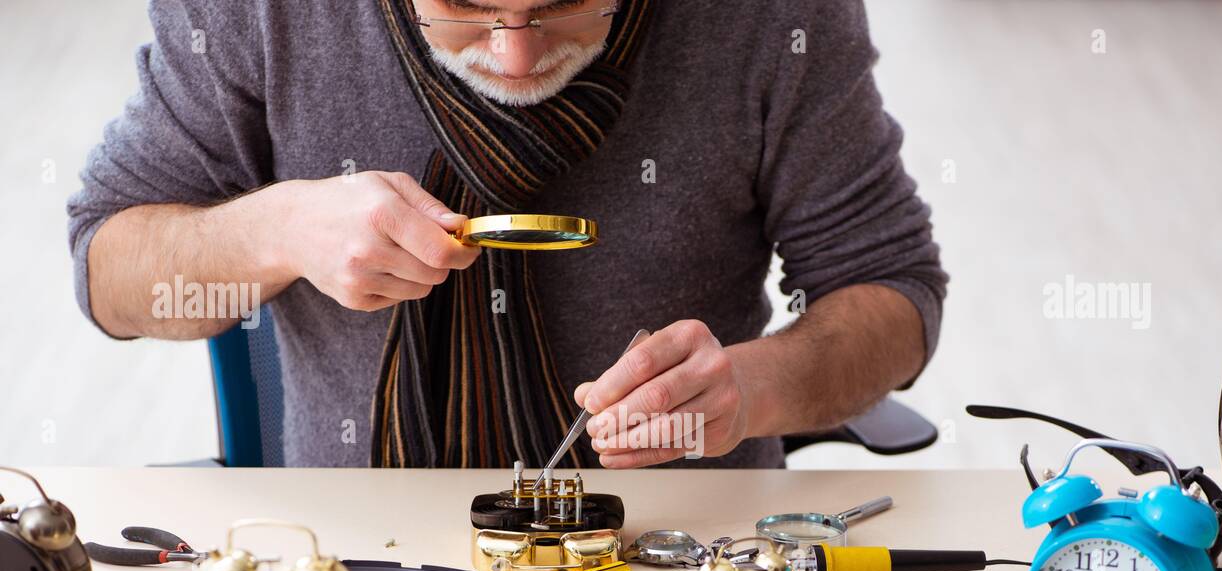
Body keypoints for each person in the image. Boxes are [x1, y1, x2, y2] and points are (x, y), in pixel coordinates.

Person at [68, 0, 947, 470]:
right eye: (463, 5)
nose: (516, 59)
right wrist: (279, 227)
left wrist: (752, 391)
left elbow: (892, 290)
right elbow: (108, 268)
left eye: (565, 5)